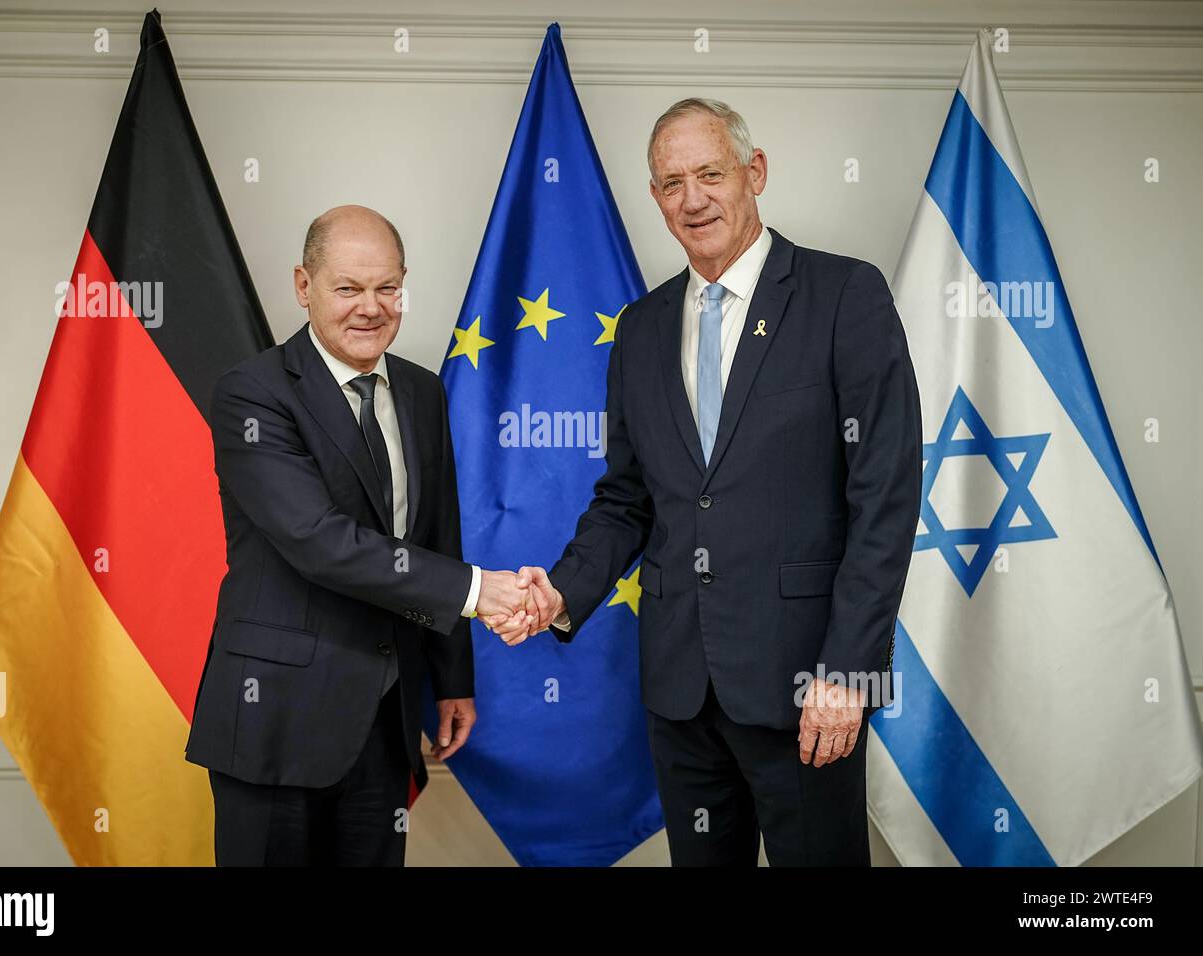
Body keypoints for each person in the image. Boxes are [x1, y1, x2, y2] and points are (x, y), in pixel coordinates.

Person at [488, 99, 923, 866]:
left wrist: (850, 673)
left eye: (710, 174)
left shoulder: (844, 296)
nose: (693, 199)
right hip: (681, 691)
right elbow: (627, 498)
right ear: (655, 197)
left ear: (754, 173)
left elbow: (884, 500)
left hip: (808, 687)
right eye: (671, 183)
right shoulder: (641, 327)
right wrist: (562, 590)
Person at [186, 205, 533, 865]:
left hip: (385, 721)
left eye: (387, 288)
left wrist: (452, 678)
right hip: (276, 725)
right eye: (348, 288)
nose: (370, 308)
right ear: (303, 286)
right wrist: (480, 592)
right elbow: (319, 540)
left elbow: (438, 536)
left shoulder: (423, 391)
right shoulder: (251, 394)